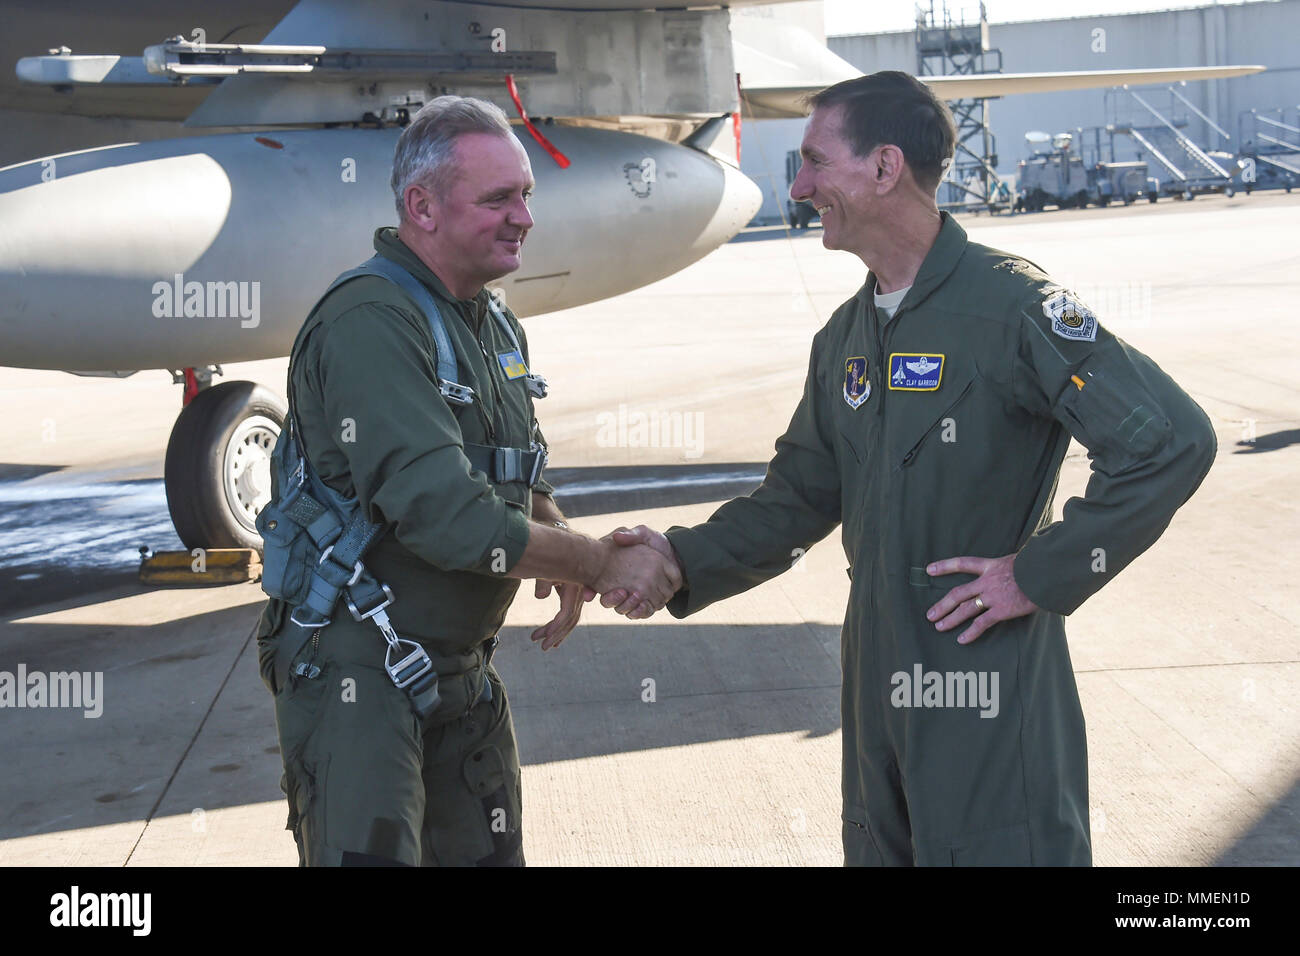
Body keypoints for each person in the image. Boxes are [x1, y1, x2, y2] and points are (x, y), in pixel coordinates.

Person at [605, 71, 1216, 865]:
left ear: (885, 168)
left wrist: (1037, 573)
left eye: (816, 161)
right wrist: (678, 558)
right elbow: (796, 500)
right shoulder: (845, 338)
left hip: (988, 684)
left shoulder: (1013, 308)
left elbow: (1170, 441)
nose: (799, 185)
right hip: (876, 683)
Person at [252, 95, 679, 867]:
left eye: (526, 196)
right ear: (422, 206)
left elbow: (519, 473)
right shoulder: (372, 323)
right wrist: (594, 562)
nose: (524, 217)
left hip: (460, 672)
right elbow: (445, 516)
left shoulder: (488, 318)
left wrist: (558, 536)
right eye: (498, 199)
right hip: (361, 678)